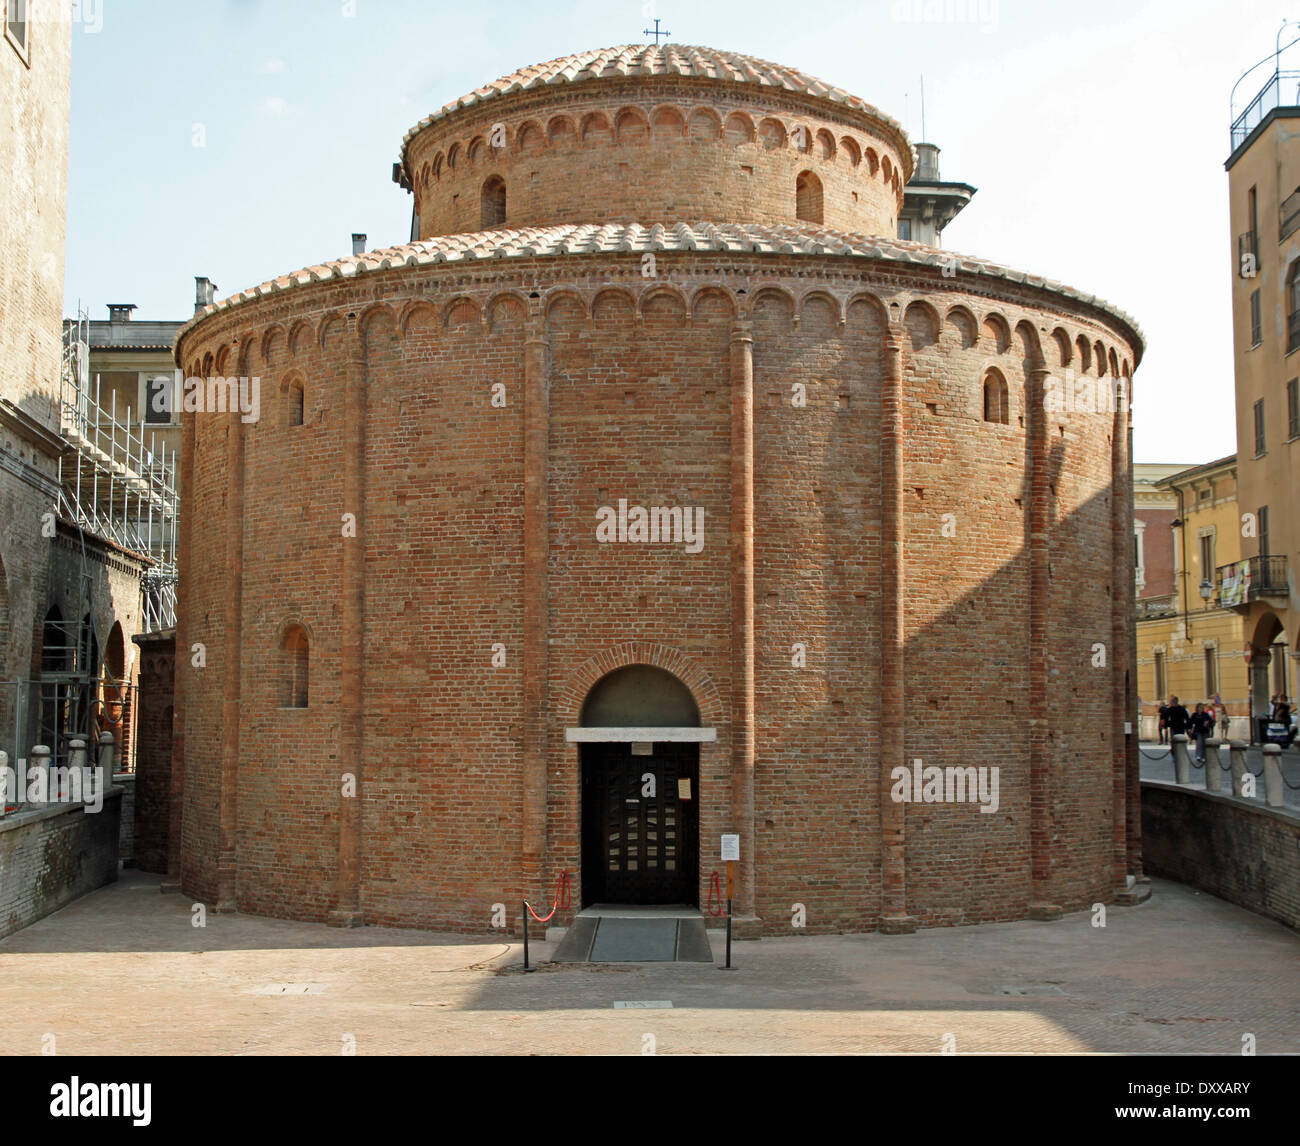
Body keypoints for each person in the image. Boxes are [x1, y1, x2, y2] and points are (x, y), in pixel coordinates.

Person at [1165, 695, 1190, 760]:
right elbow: (1166, 718)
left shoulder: (1181, 709)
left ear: (1176, 701)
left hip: (1181, 727)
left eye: (1173, 701)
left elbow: (1186, 718)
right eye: (1172, 701)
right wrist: (1166, 726)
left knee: (1181, 741)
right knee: (1173, 741)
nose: (1172, 702)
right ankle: (1174, 754)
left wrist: (1188, 726)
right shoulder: (1170, 709)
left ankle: (1181, 753)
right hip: (1173, 727)